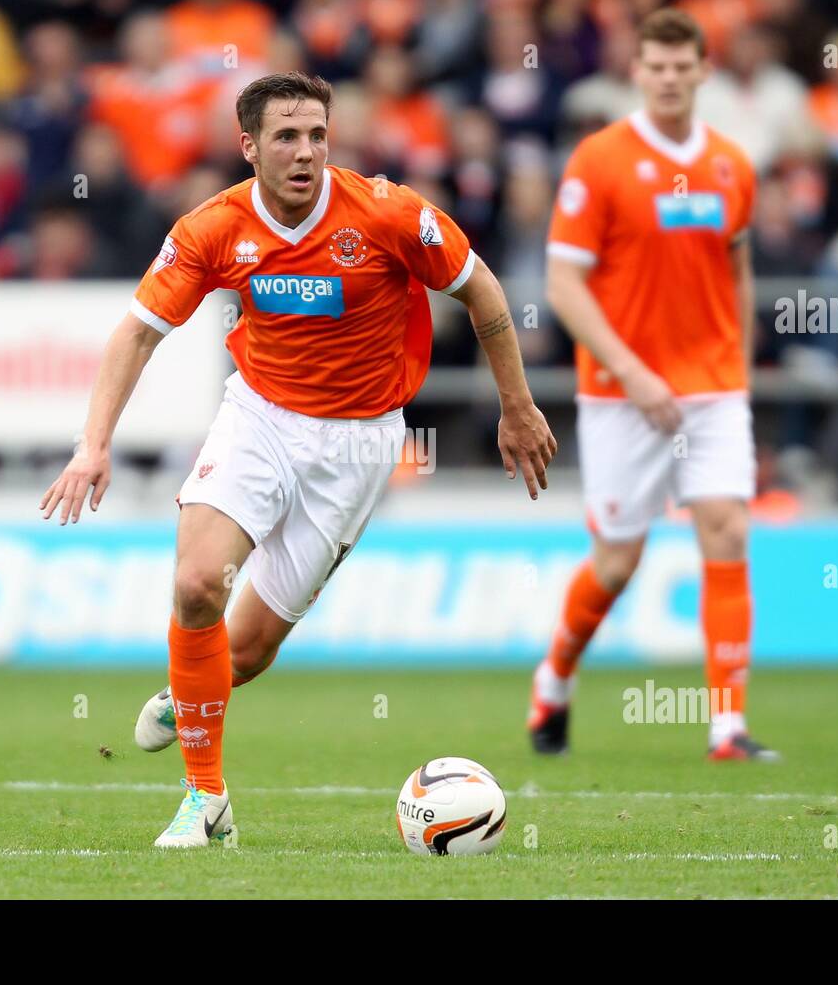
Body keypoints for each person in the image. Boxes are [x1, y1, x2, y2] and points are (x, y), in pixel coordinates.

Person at [40, 71, 556, 848]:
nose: (305, 151)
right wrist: (93, 444)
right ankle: (205, 799)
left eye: (317, 134)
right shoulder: (213, 228)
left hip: (358, 443)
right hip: (259, 419)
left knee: (241, 651)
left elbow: (483, 294)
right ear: (248, 146)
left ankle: (191, 694)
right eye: (286, 136)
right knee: (195, 583)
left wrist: (517, 408)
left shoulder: (388, 213)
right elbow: (138, 331)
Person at [529, 9, 777, 761]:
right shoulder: (599, 161)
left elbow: (735, 266)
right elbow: (564, 284)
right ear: (636, 72)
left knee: (727, 528)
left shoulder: (732, 164)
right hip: (619, 391)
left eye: (683, 66)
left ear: (704, 70)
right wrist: (633, 372)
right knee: (616, 563)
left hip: (711, 384)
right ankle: (555, 678)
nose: (670, 79)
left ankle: (727, 726)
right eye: (656, 66)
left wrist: (742, 353)